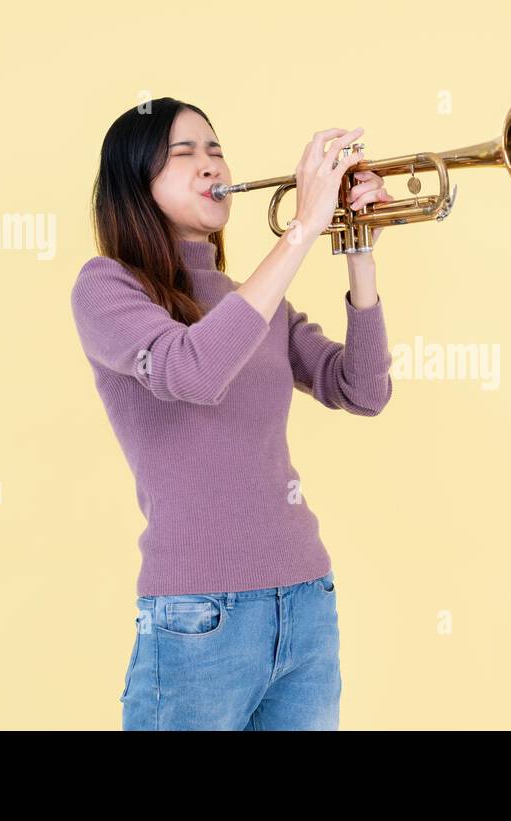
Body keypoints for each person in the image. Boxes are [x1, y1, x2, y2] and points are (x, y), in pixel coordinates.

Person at [70, 97, 395, 730]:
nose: (209, 164)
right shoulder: (106, 287)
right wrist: (302, 227)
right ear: (135, 186)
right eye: (183, 153)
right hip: (197, 619)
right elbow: (192, 370)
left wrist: (358, 251)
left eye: (215, 149)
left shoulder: (252, 295)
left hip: (306, 606)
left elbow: (361, 389)